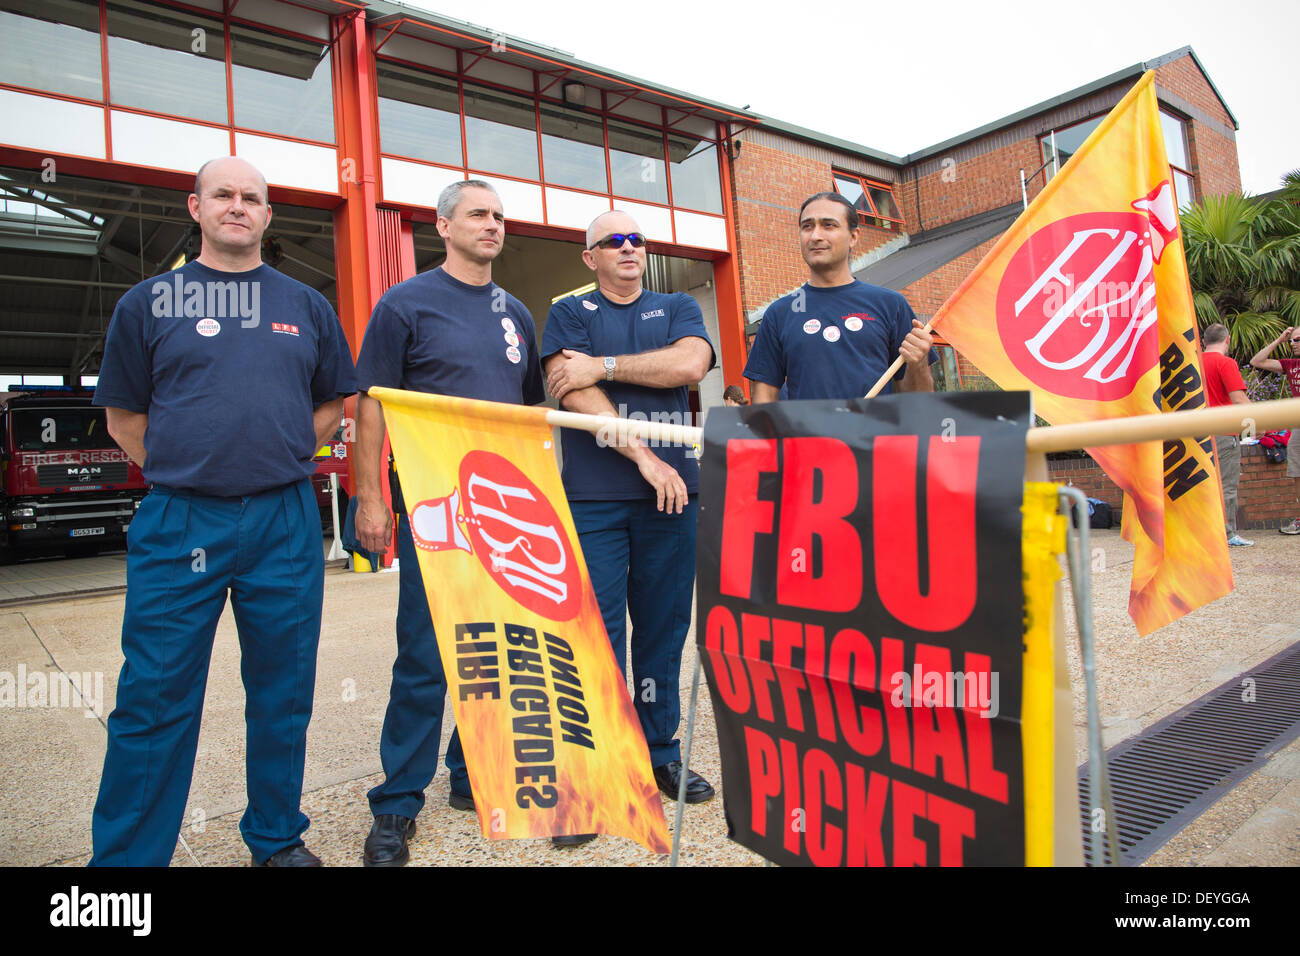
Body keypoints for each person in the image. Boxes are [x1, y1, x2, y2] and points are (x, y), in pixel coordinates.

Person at [89, 156, 357, 867]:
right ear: (195, 207)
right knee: (153, 699)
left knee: (283, 692)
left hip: (285, 521)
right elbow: (124, 419)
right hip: (182, 523)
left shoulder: (305, 306)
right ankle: (125, 865)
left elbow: (334, 403)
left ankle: (275, 837)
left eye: (252, 197)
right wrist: (197, 465)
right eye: (223, 195)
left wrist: (272, 455)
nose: (238, 206)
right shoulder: (148, 303)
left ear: (268, 216)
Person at [353, 180, 544, 866]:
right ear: (442, 225)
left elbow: (527, 418)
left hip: (505, 514)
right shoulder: (405, 305)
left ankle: (474, 775)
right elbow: (370, 407)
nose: (492, 225)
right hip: (436, 509)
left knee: (492, 649)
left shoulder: (516, 313)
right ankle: (398, 803)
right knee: (425, 658)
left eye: (498, 216)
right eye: (478, 215)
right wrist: (371, 498)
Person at [542, 210, 716, 845]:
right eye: (612, 241)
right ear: (590, 257)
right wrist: (644, 457)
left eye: (637, 240)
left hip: (674, 497)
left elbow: (689, 366)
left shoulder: (676, 307)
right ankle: (596, 772)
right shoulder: (569, 315)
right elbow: (572, 392)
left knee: (665, 626)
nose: (628, 248)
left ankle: (660, 753)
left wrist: (605, 366)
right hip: (598, 497)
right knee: (596, 634)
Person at [744, 192, 935, 402]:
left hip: (874, 434)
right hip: (805, 435)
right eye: (807, 226)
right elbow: (763, 402)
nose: (815, 235)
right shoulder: (779, 313)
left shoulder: (891, 305)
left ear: (853, 237)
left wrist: (918, 363)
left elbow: (920, 402)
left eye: (828, 225)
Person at [1200, 324, 1252, 546]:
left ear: (1203, 342)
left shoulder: (1194, 362)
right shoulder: (1225, 363)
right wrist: (1258, 421)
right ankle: (1228, 534)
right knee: (1227, 485)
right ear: (1228, 340)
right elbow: (1239, 399)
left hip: (1197, 431)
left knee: (1203, 484)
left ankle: (1203, 533)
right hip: (1224, 432)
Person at [1250, 326, 1300, 534]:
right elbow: (1257, 361)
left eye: (1297, 340)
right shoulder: (1291, 364)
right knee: (1297, 470)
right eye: (1292, 341)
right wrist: (1279, 340)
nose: (1293, 344)